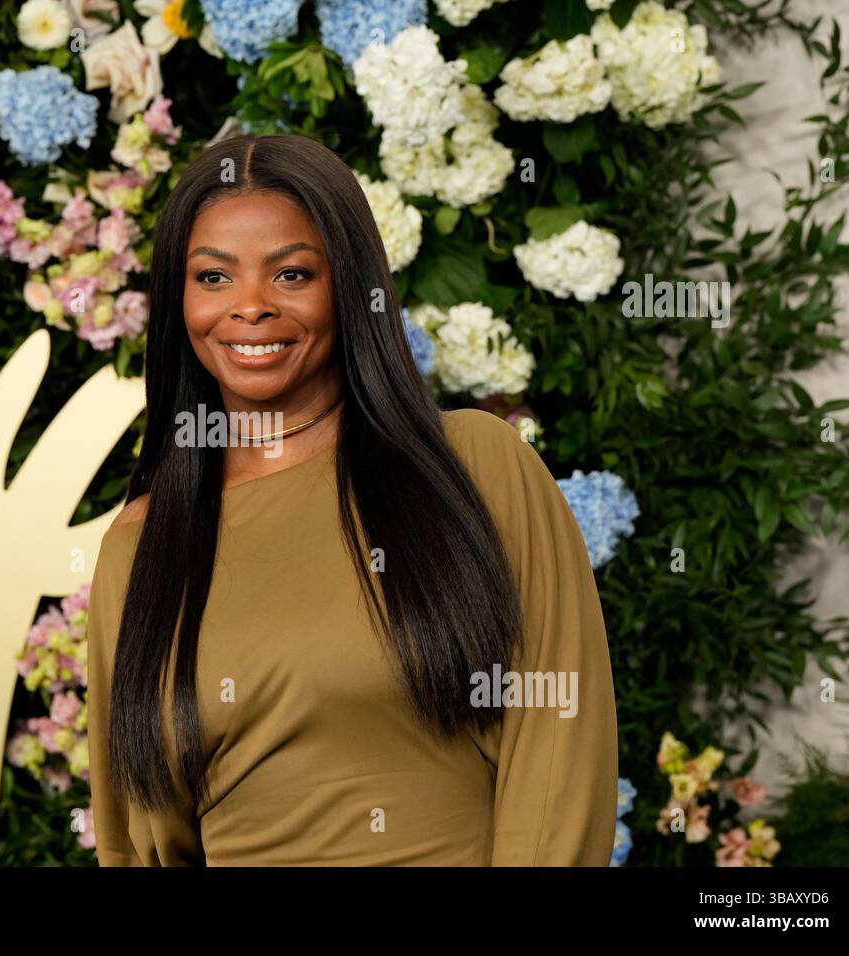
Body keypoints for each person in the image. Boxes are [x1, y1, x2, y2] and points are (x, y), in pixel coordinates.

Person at [85, 133, 618, 866]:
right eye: (213, 278)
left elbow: (556, 755)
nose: (249, 308)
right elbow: (141, 841)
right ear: (178, 302)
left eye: (292, 274)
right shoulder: (142, 548)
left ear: (352, 288)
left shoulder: (474, 466)